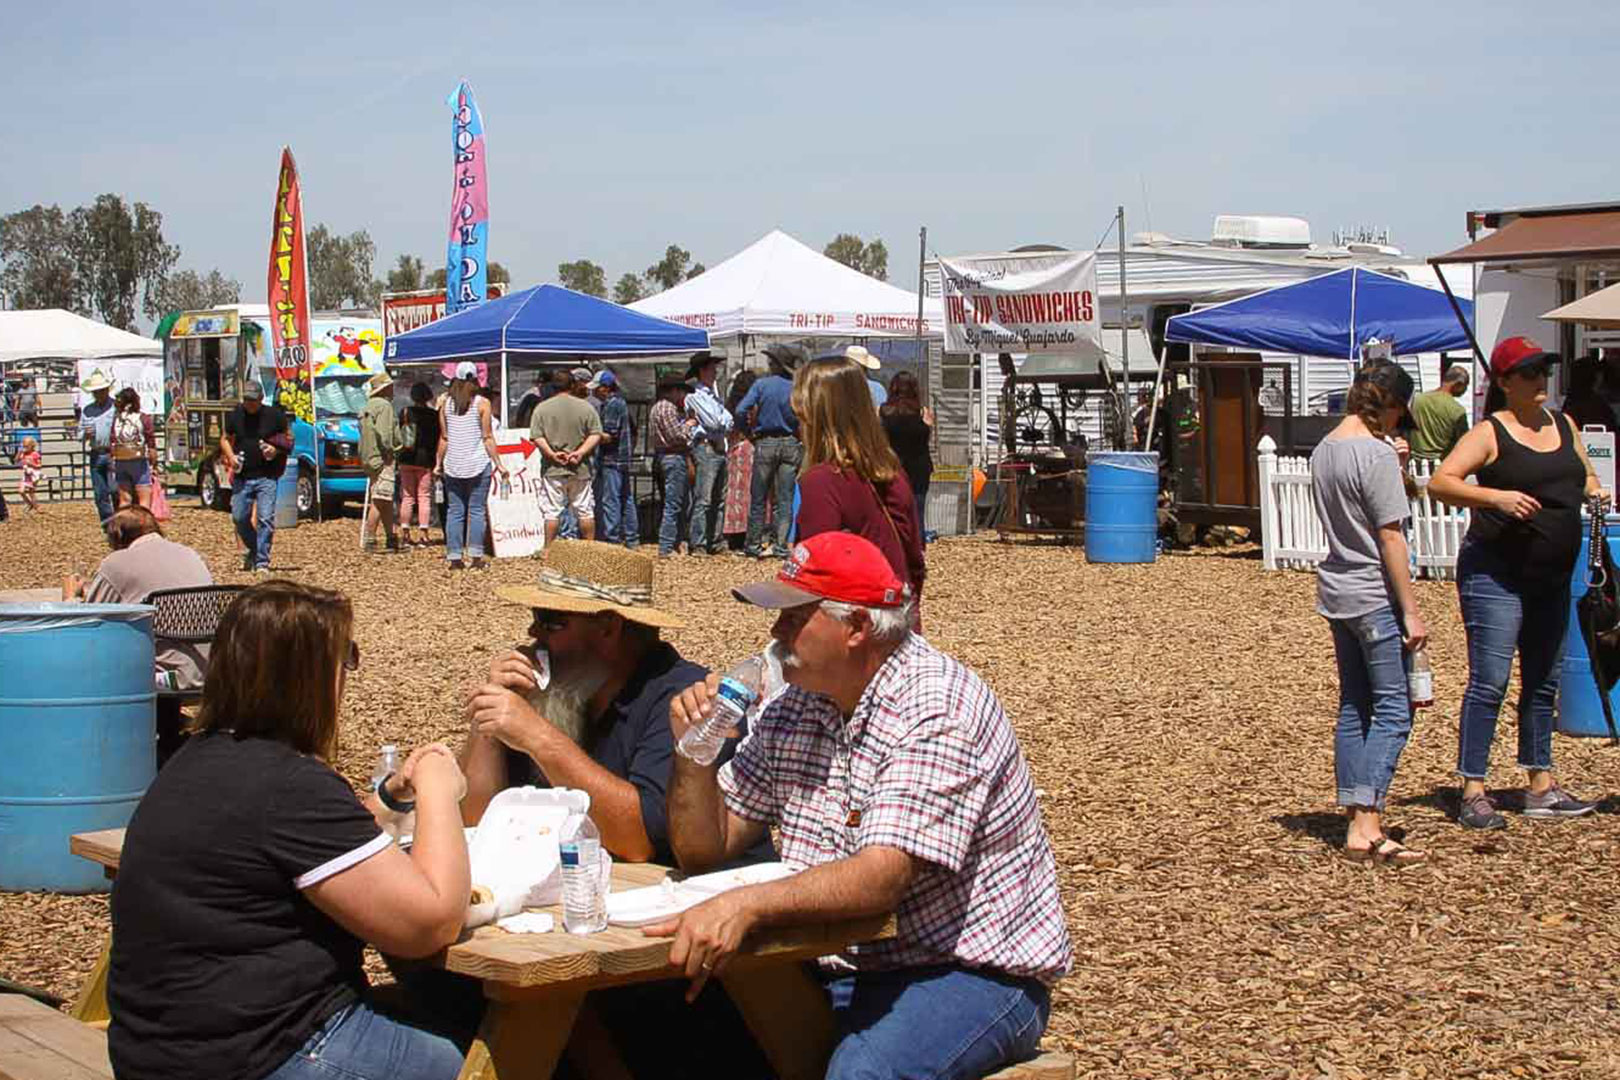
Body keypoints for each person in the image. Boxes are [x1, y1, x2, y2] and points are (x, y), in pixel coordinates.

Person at [658, 531, 1072, 1080]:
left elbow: (881, 880)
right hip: (837, 960)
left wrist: (749, 904)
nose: (775, 633)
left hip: (968, 973)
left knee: (861, 1075)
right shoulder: (795, 702)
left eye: (793, 617)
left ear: (856, 628)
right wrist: (694, 750)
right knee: (668, 1028)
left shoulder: (936, 708)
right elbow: (705, 850)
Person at [107, 580, 471, 1080]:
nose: (348, 674)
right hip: (262, 1054)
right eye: (346, 656)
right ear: (308, 676)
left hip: (165, 1050)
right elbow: (430, 925)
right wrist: (436, 789)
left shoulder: (201, 759)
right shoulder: (288, 785)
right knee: (497, 1059)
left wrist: (389, 798)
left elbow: (322, 845)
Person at [449, 541, 774, 1077]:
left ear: (608, 629)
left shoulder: (680, 697)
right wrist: (491, 720)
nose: (534, 636)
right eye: (535, 619)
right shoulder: (564, 691)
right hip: (584, 929)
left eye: (551, 621)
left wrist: (537, 737)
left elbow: (639, 836)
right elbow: (476, 816)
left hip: (691, 965)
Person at [1427, 336, 1605, 830]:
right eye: (1528, 372)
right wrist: (1496, 498)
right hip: (1495, 571)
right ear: (1504, 383)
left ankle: (1540, 786)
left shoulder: (1562, 425)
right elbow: (1441, 482)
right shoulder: (1490, 432)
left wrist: (1595, 492)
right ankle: (1473, 789)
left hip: (1551, 575)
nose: (1539, 380)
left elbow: (1583, 476)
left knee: (1544, 680)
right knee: (1492, 681)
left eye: (1543, 371)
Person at [1309, 362, 1429, 864]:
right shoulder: (1374, 453)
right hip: (1374, 594)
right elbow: (1390, 535)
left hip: (1337, 590)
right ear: (1393, 406)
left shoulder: (1324, 449)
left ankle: (1354, 812)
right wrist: (1412, 610)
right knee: (1394, 710)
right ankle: (1367, 819)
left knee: (1354, 705)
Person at [62, 505, 215, 762]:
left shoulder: (117, 562)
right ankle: (169, 732)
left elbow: (92, 620)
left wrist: (69, 599)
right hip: (207, 670)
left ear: (118, 536)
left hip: (159, 677)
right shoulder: (189, 554)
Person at [793, 355, 926, 609]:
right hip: (897, 618)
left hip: (852, 630)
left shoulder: (822, 482)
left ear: (814, 416)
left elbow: (815, 575)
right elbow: (915, 562)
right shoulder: (894, 474)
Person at [434, 361, 507, 570]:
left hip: (453, 464)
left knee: (454, 511)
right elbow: (487, 437)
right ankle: (476, 556)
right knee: (476, 511)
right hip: (477, 462)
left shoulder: (446, 404)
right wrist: (499, 464)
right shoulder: (482, 403)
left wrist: (438, 463)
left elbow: (444, 437)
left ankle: (454, 556)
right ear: (475, 379)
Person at [736, 344, 804, 559]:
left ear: (774, 364)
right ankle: (781, 546)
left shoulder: (761, 384)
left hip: (765, 441)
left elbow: (740, 409)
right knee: (784, 498)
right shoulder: (796, 387)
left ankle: (753, 545)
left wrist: (749, 432)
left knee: (759, 497)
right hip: (791, 442)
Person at [220, 381, 291, 573]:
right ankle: (254, 548)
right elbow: (225, 438)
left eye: (253, 400)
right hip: (243, 475)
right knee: (239, 517)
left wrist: (275, 450)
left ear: (261, 399)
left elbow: (288, 439)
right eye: (246, 400)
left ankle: (262, 561)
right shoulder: (236, 415)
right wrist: (231, 457)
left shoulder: (274, 416)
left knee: (265, 518)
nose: (249, 404)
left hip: (267, 476)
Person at [531, 366, 604, 545]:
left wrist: (552, 454)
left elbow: (537, 437)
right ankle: (589, 547)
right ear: (572, 385)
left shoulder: (542, 408)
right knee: (585, 510)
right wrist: (579, 453)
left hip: (552, 468)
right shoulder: (586, 407)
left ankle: (548, 549)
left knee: (551, 511)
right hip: (580, 467)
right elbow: (596, 434)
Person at [684, 352, 733, 556]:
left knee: (719, 499)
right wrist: (721, 422)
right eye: (712, 368)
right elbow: (716, 421)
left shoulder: (713, 396)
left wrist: (721, 422)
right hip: (705, 447)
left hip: (717, 447)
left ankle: (715, 539)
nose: (715, 372)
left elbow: (727, 420)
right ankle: (699, 542)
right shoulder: (694, 396)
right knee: (704, 498)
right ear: (702, 371)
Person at [880, 371, 935, 543]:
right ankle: (918, 547)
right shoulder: (923, 412)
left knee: (890, 508)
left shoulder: (882, 412)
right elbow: (927, 439)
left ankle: (893, 544)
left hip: (891, 466)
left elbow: (878, 439)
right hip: (918, 466)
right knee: (917, 510)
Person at [590, 370, 639, 548]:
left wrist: (591, 433)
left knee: (611, 500)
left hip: (611, 459)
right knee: (626, 498)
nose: (594, 392)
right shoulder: (621, 403)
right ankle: (632, 537)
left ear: (606, 388)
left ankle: (613, 538)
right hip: (623, 458)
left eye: (597, 388)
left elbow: (610, 435)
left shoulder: (611, 405)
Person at [651, 375, 693, 557]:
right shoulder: (667, 408)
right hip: (673, 456)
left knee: (675, 501)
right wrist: (689, 425)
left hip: (664, 457)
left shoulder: (657, 408)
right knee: (673, 503)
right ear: (674, 390)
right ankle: (666, 546)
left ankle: (673, 542)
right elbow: (677, 435)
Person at [360, 372, 401, 554]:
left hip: (368, 457)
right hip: (383, 458)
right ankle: (370, 537)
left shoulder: (367, 407)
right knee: (380, 498)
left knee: (384, 497)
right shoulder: (385, 406)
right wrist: (392, 450)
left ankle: (391, 538)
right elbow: (385, 435)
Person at [397, 382, 441, 548]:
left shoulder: (405, 412)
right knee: (424, 497)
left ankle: (406, 534)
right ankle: (424, 534)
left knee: (407, 497)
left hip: (406, 458)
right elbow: (438, 438)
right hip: (425, 460)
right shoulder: (433, 415)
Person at [1409, 364, 1472, 461]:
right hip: (1442, 464)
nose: (1465, 391)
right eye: (1465, 386)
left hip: (1416, 463)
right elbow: (1464, 443)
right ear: (1458, 384)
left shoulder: (1418, 400)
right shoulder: (1457, 410)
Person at [79, 370, 118, 523]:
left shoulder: (115, 407)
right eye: (95, 392)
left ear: (107, 390)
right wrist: (85, 435)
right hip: (96, 452)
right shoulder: (88, 410)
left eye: (100, 391)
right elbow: (79, 432)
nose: (98, 394)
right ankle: (107, 522)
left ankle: (119, 518)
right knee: (100, 493)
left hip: (112, 452)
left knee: (115, 489)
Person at [1559, 352, 1620, 434]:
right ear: (1593, 376)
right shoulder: (1594, 405)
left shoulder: (1570, 401)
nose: (1601, 377)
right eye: (1599, 373)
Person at [17, 434, 42, 512]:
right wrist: (19, 453)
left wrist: (32, 464)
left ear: (32, 446)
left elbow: (39, 465)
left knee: (31, 492)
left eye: (26, 446)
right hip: (26, 475)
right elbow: (16, 461)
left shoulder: (35, 454)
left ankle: (36, 506)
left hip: (33, 475)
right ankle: (29, 503)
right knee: (21, 491)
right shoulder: (23, 454)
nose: (25, 448)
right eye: (24, 446)